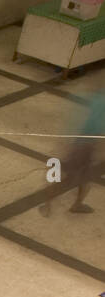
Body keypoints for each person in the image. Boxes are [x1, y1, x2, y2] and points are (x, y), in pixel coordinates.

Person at [41, 86, 105, 216]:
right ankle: (52, 204)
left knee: (81, 178)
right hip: (85, 148)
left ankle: (70, 204)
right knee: (72, 179)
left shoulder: (96, 99)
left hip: (78, 144)